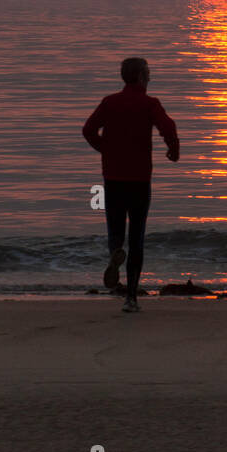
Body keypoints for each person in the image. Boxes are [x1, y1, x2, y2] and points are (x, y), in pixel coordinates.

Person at [82, 57, 179, 313]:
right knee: (137, 237)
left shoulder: (110, 102)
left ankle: (115, 252)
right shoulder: (149, 104)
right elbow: (168, 127)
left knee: (115, 230)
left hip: (112, 179)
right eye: (148, 71)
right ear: (140, 76)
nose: (150, 75)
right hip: (139, 180)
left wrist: (106, 150)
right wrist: (174, 149)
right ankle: (131, 298)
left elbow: (88, 130)